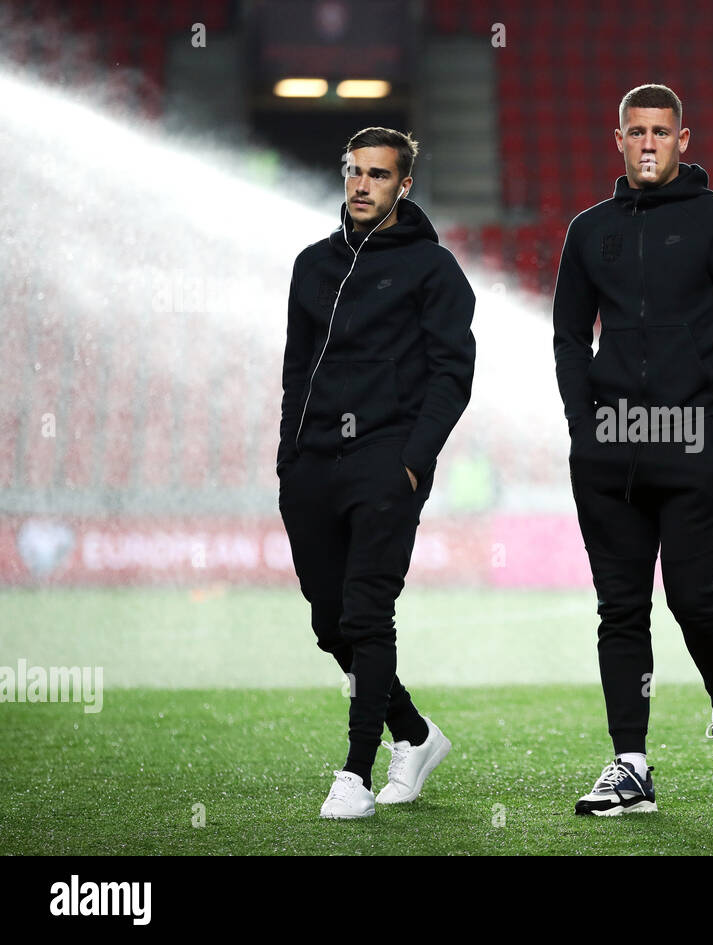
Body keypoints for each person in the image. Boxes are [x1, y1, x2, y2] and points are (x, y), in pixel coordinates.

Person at [553, 84, 713, 815]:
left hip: (694, 445)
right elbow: (568, 336)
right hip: (609, 451)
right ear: (618, 139)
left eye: (662, 131)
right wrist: (583, 428)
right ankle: (631, 765)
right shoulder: (588, 231)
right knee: (620, 609)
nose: (649, 142)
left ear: (684, 139)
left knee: (694, 598)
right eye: (636, 131)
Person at [277, 127, 476, 819]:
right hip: (311, 469)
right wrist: (287, 459)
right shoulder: (310, 266)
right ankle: (415, 734)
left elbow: (454, 375)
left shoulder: (434, 270)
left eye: (379, 176)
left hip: (385, 463)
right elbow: (296, 371)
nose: (363, 185)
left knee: (367, 612)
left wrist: (413, 461)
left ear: (404, 185)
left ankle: (355, 775)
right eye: (355, 172)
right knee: (331, 623)